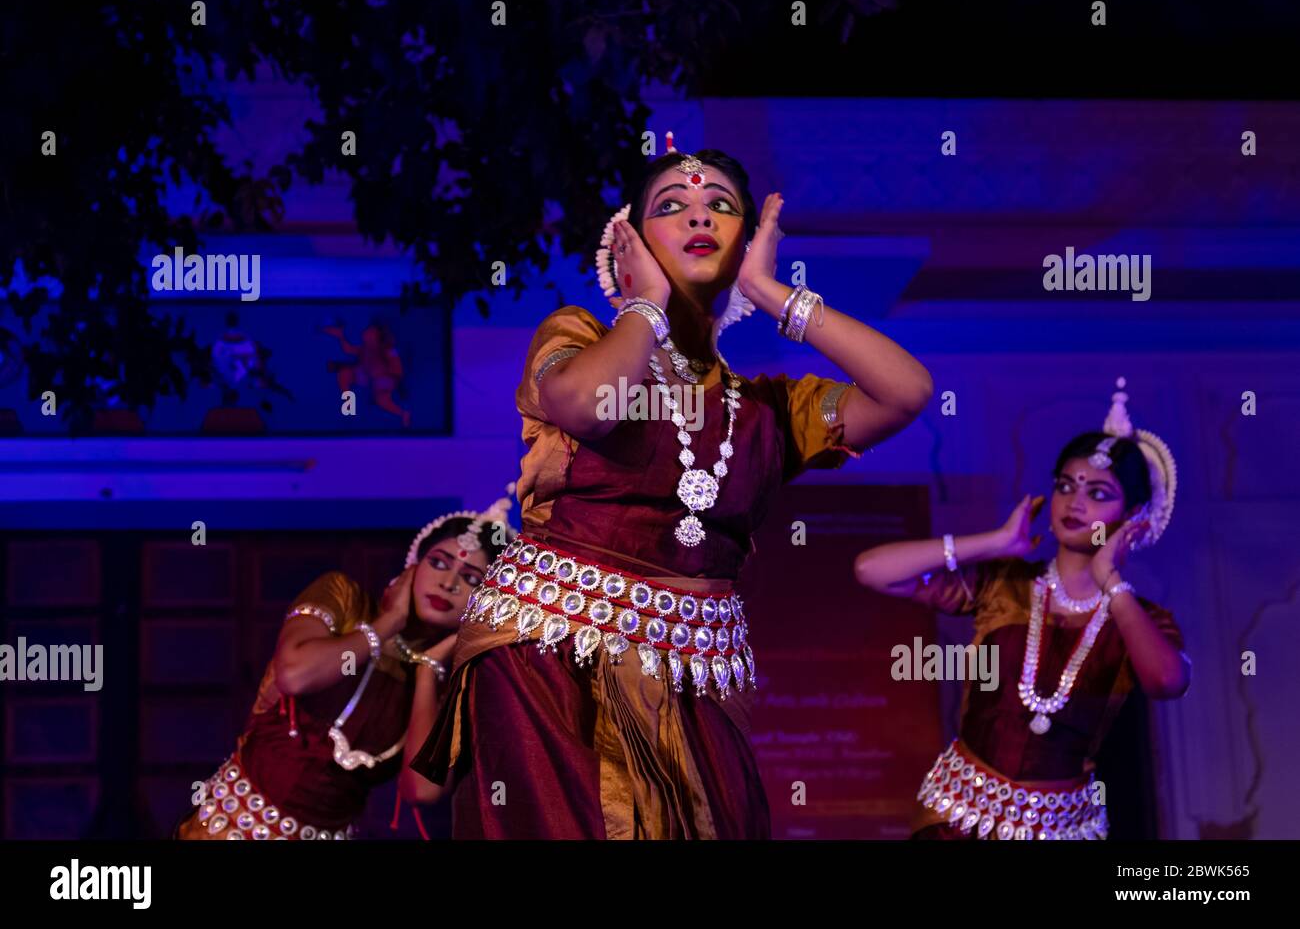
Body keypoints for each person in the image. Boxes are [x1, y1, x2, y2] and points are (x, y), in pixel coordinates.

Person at [411, 135, 934, 838]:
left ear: (747, 241)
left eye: (721, 205)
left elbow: (906, 392)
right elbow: (586, 407)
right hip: (550, 661)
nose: (699, 216)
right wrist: (647, 304)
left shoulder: (771, 409)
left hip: (694, 680)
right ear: (628, 239)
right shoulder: (576, 338)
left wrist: (770, 293)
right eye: (670, 206)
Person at [854, 378, 1189, 839]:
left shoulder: (1139, 618)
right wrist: (994, 542)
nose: (1075, 502)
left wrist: (1111, 580)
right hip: (960, 820)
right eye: (1066, 486)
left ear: (1133, 517)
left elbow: (1168, 681)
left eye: (1098, 493)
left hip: (1061, 827)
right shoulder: (1005, 585)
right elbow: (872, 570)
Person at [176, 491, 516, 840]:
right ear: (414, 564)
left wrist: (428, 670)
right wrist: (388, 624)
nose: (448, 583)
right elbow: (294, 675)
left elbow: (422, 789)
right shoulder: (345, 599)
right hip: (225, 828)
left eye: (471, 579)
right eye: (439, 563)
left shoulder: (448, 683)